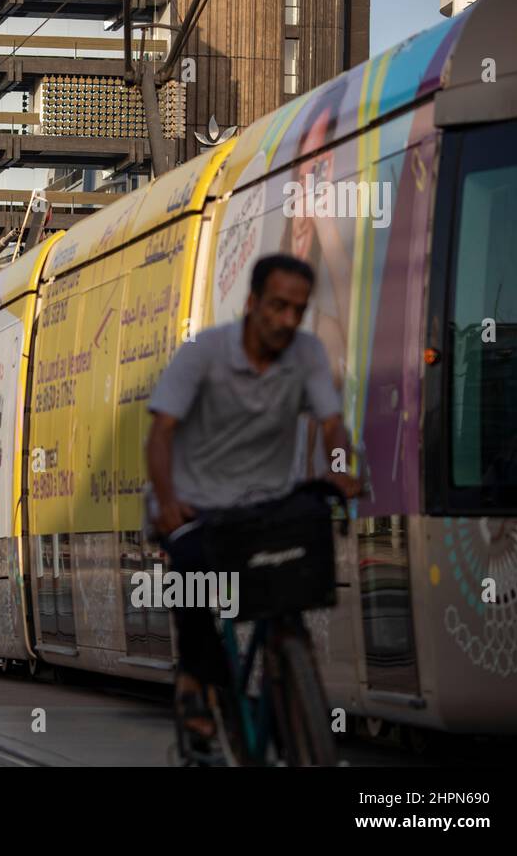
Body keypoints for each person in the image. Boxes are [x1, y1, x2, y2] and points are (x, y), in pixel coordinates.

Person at [145, 253, 361, 750]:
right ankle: (196, 682)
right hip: (195, 503)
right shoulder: (203, 354)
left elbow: (331, 426)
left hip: (265, 500)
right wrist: (168, 501)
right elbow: (161, 434)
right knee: (193, 573)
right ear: (251, 303)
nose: (288, 320)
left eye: (298, 310)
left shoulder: (305, 354)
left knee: (302, 546)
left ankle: (290, 669)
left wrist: (338, 468)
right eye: (278, 307)